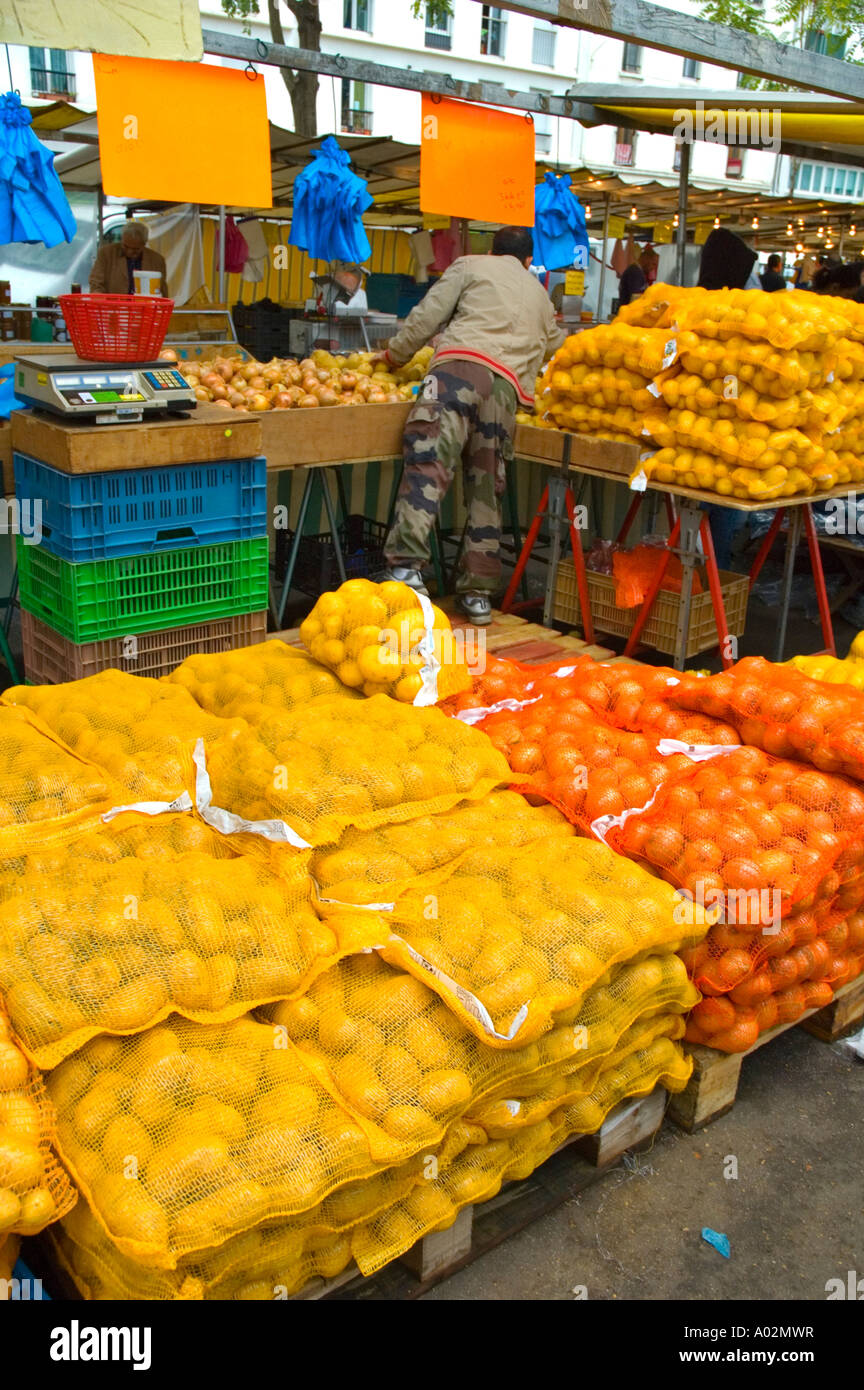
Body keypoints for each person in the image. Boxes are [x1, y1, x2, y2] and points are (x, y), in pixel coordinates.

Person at [378, 225, 564, 625]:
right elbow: (554, 346)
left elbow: (428, 315)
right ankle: (478, 593)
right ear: (529, 260)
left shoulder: (469, 265)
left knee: (429, 464)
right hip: (505, 392)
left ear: (493, 250)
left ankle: (407, 569)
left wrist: (395, 355)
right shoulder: (540, 295)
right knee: (486, 487)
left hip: (456, 373)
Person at [89, 220, 168, 297]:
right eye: (125, 246)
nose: (129, 251)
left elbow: (162, 289)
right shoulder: (106, 254)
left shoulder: (157, 260)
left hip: (144, 307)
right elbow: (96, 282)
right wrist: (99, 297)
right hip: (113, 307)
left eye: (135, 249)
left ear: (144, 243)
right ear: (122, 239)